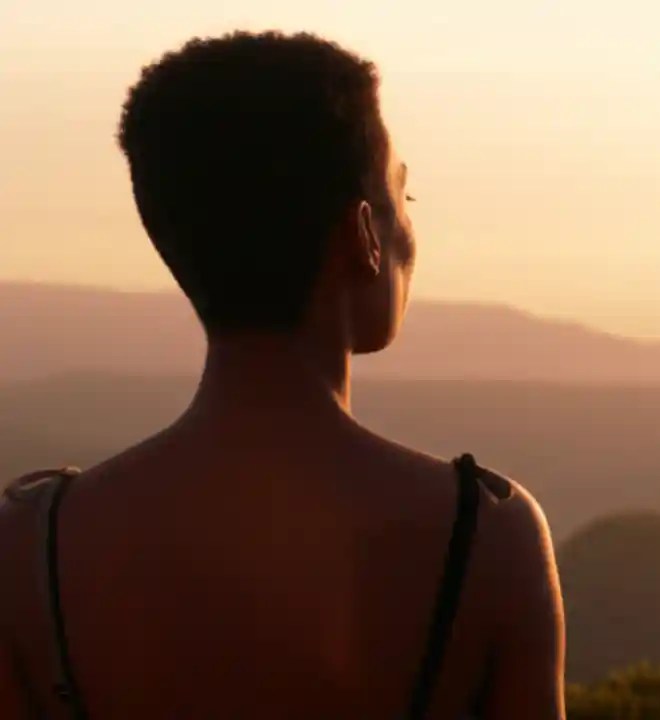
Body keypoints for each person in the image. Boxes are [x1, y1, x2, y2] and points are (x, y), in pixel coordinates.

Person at [0, 31, 565, 719]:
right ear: (363, 237)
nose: (409, 233)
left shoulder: (29, 542)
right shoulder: (487, 535)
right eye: (401, 201)